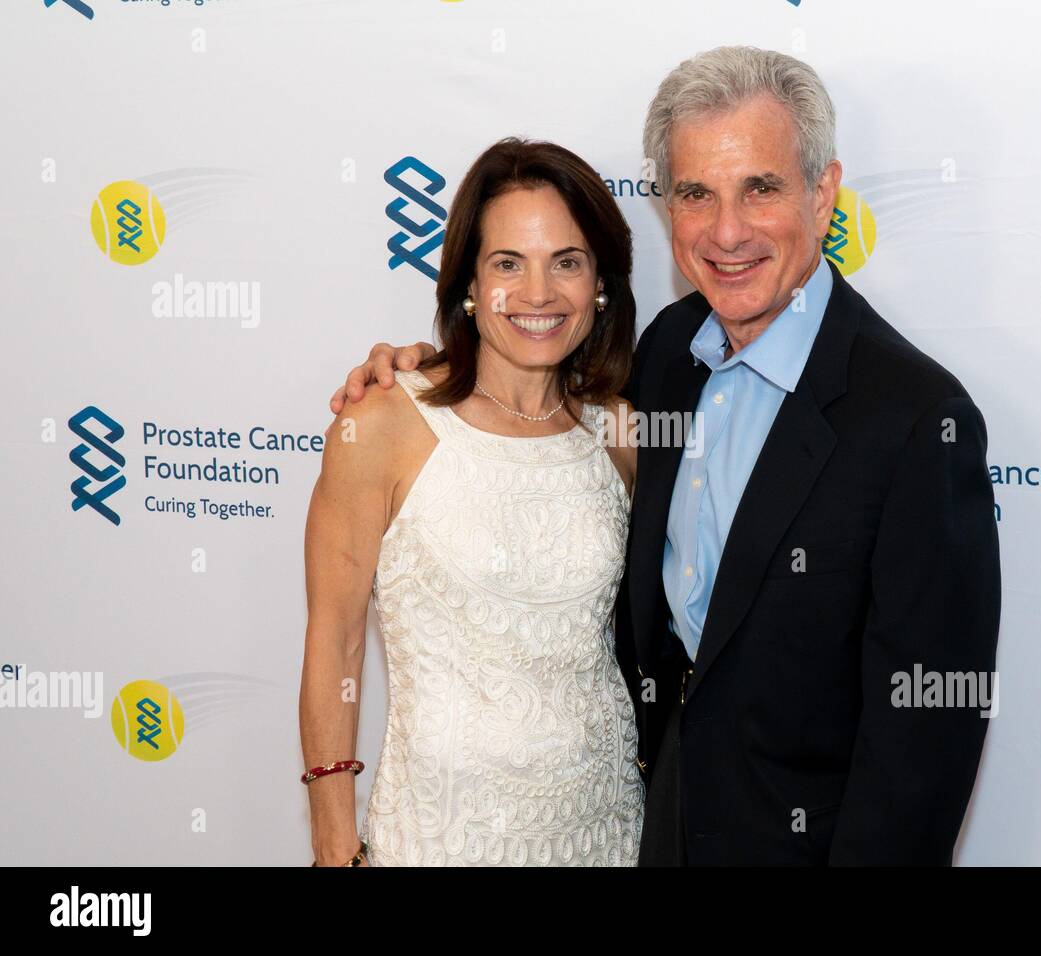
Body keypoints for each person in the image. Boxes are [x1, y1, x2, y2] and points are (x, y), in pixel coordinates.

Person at [331, 46, 1001, 866]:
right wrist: (424, 366)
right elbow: (524, 399)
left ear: (824, 194)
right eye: (696, 194)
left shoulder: (916, 420)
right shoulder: (668, 355)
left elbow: (923, 749)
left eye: (761, 187)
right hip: (647, 826)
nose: (727, 232)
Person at [300, 137, 643, 866]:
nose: (539, 294)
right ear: (466, 282)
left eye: (568, 262)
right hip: (441, 835)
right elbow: (335, 637)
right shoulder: (385, 421)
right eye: (508, 264)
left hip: (604, 827)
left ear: (600, 285)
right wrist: (334, 843)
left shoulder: (620, 429)